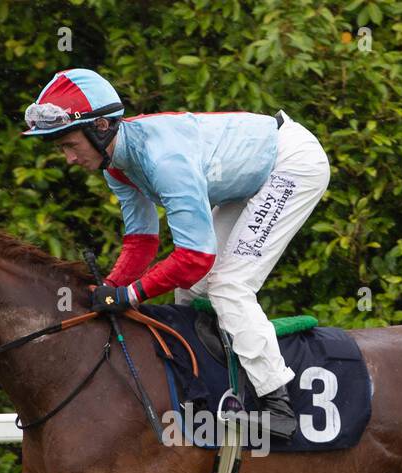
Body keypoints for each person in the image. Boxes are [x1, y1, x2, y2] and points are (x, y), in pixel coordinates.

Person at [21, 68, 331, 440]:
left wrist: (130, 295)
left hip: (291, 164)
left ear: (100, 127)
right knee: (192, 291)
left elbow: (195, 256)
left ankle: (278, 404)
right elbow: (142, 241)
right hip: (254, 175)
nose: (68, 158)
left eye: (69, 145)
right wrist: (108, 289)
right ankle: (216, 384)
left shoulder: (163, 160)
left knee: (228, 285)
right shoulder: (116, 166)